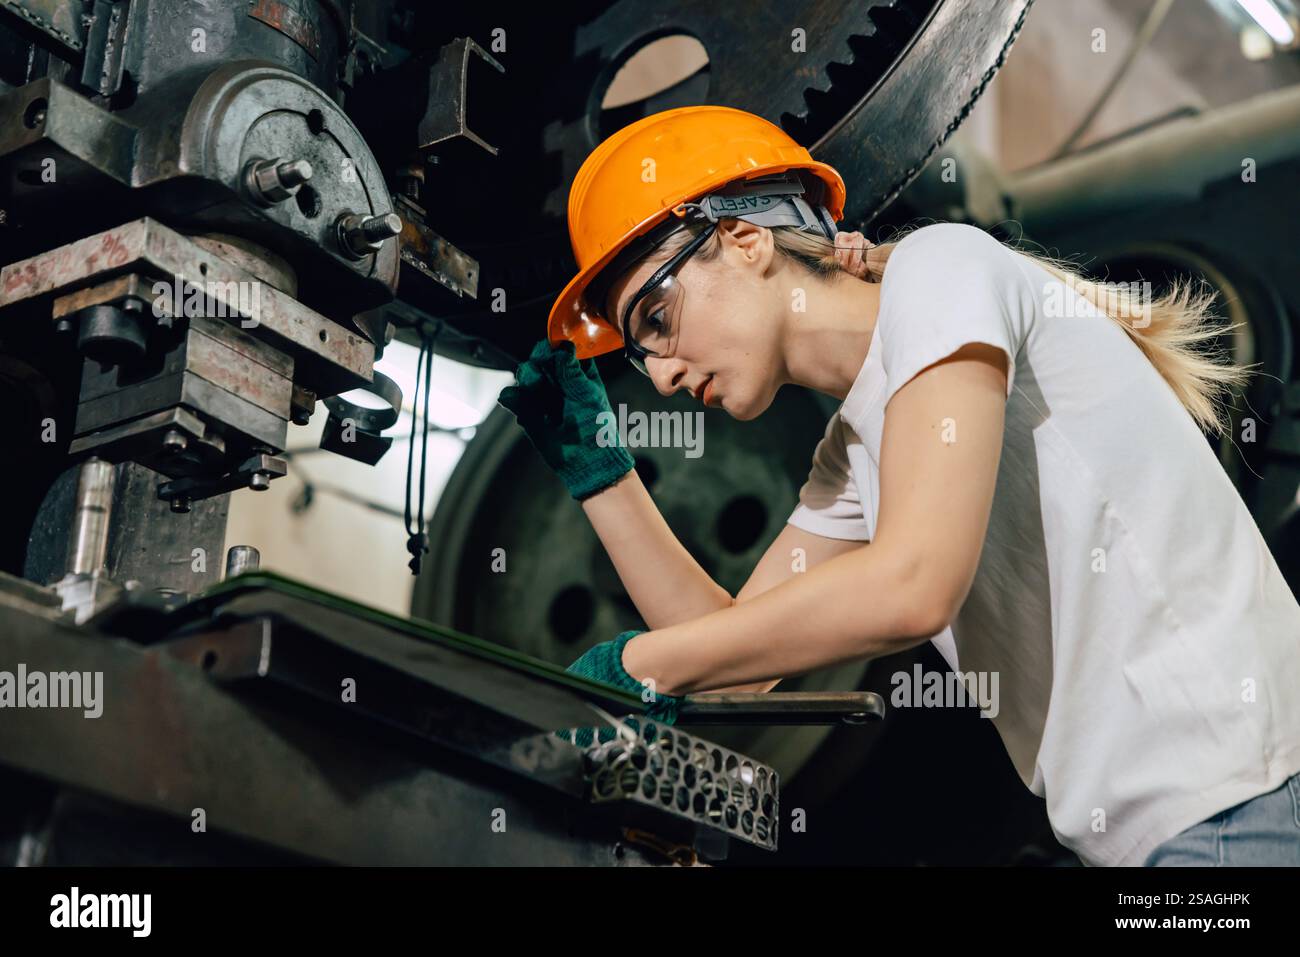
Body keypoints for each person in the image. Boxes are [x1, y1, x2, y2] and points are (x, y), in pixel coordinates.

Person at [498, 105, 1300, 867]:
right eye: (640, 354)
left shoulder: (942, 268)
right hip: (1166, 832)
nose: (664, 376)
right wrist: (602, 474)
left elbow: (915, 585)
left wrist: (641, 663)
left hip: (1239, 798)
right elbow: (741, 659)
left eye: (655, 318)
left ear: (742, 239)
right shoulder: (859, 444)